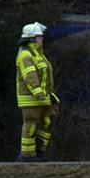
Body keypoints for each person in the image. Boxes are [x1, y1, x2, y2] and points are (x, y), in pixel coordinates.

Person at [14, 22, 57, 162]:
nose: (42, 39)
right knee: (31, 124)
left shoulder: (38, 54)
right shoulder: (26, 55)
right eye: (39, 37)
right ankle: (27, 155)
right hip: (31, 99)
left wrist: (51, 96)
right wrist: (40, 95)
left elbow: (46, 79)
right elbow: (31, 78)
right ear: (32, 39)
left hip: (43, 98)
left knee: (48, 122)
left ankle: (39, 151)